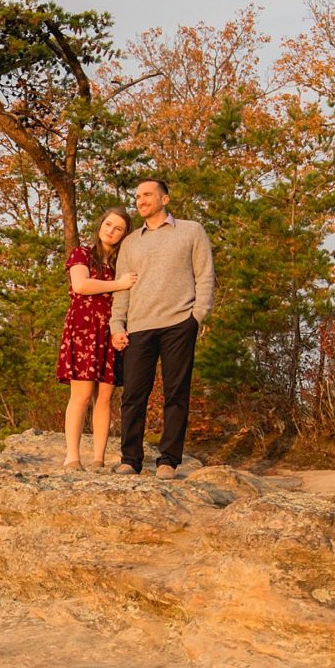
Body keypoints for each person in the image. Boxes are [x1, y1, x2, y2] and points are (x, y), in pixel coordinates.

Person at [109, 178, 215, 479]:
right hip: (139, 326)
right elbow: (123, 289)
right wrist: (117, 324)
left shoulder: (191, 230)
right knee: (133, 395)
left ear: (164, 199)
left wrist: (198, 315)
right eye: (138, 196)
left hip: (179, 322)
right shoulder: (131, 242)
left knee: (176, 393)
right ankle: (130, 459)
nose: (141, 201)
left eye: (147, 195)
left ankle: (168, 460)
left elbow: (205, 274)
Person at [58, 207, 137, 469]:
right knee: (80, 395)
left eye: (119, 228)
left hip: (111, 331)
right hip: (83, 329)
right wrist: (120, 284)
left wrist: (122, 328)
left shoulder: (123, 262)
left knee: (104, 397)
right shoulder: (82, 253)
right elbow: (81, 285)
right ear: (100, 225)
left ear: (125, 234)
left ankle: (99, 458)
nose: (111, 231)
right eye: (108, 225)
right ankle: (72, 457)